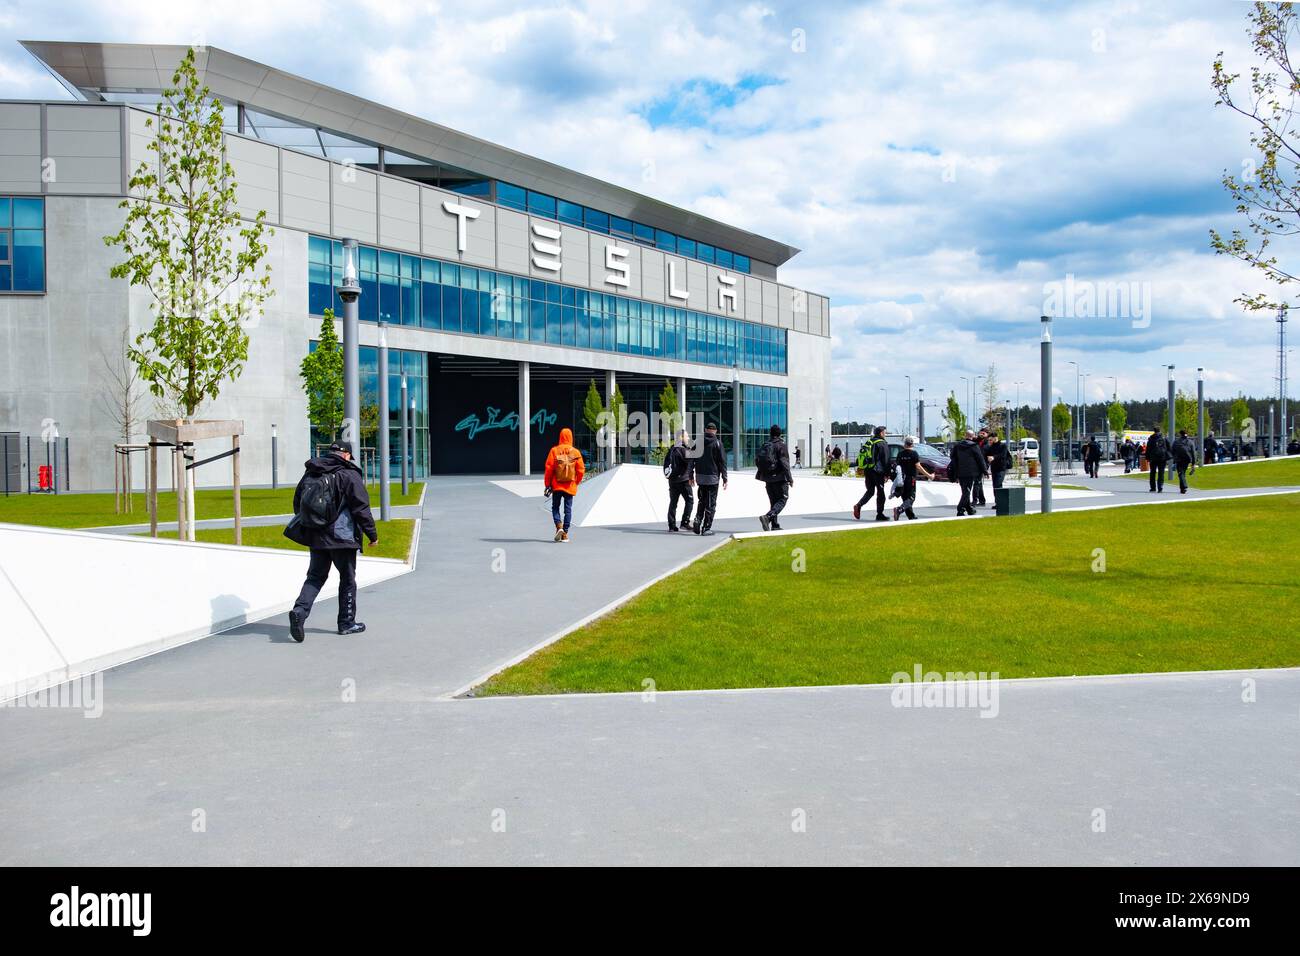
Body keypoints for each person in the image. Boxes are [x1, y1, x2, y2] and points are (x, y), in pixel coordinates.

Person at [286, 441, 378, 642]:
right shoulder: (349, 474)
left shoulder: (312, 472)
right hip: (341, 537)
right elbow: (361, 508)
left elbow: (298, 503)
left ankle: (299, 612)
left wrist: (314, 524)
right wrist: (372, 535)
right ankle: (346, 623)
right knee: (347, 579)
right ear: (346, 455)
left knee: (315, 576)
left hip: (316, 536)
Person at [544, 426, 585, 542]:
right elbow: (581, 470)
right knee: (568, 509)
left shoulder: (554, 451)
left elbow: (549, 469)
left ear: (560, 437)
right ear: (571, 438)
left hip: (557, 485)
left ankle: (559, 526)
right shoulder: (575, 452)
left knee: (555, 507)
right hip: (569, 486)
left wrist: (548, 484)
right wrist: (576, 482)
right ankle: (565, 533)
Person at [690, 422, 728, 536]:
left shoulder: (698, 442)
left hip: (700, 478)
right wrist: (725, 478)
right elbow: (722, 462)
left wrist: (690, 475)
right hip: (713, 478)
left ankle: (697, 519)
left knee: (702, 500)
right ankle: (706, 528)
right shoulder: (717, 443)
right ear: (715, 431)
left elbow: (691, 459)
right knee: (711, 504)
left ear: (706, 430)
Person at [756, 423, 793, 531]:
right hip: (779, 478)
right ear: (780, 434)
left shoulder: (765, 444)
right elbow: (785, 463)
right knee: (782, 499)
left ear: (770, 433)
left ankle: (775, 525)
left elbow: (757, 460)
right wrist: (790, 479)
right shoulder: (781, 445)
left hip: (767, 478)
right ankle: (767, 517)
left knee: (773, 501)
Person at [852, 425, 891, 521]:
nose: (885, 434)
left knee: (870, 491)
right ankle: (880, 514)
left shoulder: (869, 442)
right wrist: (887, 473)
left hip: (868, 471)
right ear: (881, 433)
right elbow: (886, 460)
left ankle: (858, 505)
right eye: (885, 432)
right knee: (881, 493)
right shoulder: (882, 443)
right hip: (878, 472)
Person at [891, 436, 933, 520]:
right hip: (911, 478)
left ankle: (911, 516)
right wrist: (928, 475)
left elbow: (897, 466)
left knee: (905, 497)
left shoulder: (900, 454)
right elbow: (918, 466)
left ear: (905, 444)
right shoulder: (914, 454)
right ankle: (899, 509)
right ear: (912, 444)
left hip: (901, 478)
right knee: (911, 498)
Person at [951, 429, 989, 516]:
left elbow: (952, 457)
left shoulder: (957, 446)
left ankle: (969, 509)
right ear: (972, 436)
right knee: (967, 491)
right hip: (971, 472)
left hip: (960, 471)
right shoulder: (974, 446)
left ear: (965, 435)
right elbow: (980, 459)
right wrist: (985, 471)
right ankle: (960, 509)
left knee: (965, 490)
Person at [663, 429, 694, 533]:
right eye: (687, 436)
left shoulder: (672, 449)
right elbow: (690, 462)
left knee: (673, 502)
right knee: (689, 501)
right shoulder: (683, 450)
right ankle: (685, 523)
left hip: (672, 480)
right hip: (683, 480)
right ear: (681, 438)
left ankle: (671, 526)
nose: (688, 438)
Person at [985, 430, 1012, 495]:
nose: (989, 441)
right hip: (994, 468)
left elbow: (1003, 455)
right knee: (995, 486)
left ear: (995, 438)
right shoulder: (991, 447)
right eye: (989, 440)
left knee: (998, 485)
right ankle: (997, 503)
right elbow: (986, 455)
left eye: (990, 440)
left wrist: (993, 457)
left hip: (1001, 468)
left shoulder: (1003, 446)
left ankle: (1000, 503)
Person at [1172, 428, 1197, 494]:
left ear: (1180, 434)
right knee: (1182, 473)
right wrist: (1193, 463)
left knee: (1181, 473)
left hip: (1179, 459)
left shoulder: (1176, 441)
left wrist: (1174, 459)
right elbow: (1193, 453)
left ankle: (1184, 486)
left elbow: (1172, 451)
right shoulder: (1190, 442)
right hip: (1187, 459)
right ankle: (1182, 489)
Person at [1146, 424, 1170, 493]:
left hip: (1153, 458)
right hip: (1162, 458)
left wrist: (1147, 458)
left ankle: (1153, 487)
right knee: (1161, 473)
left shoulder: (1151, 439)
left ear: (1154, 431)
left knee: (1152, 473)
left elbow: (1148, 449)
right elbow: (1169, 447)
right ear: (1160, 430)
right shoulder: (1164, 438)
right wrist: (1167, 456)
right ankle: (1160, 487)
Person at [972, 428, 989, 506]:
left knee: (976, 483)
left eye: (983, 433)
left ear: (987, 435)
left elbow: (988, 456)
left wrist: (986, 467)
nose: (981, 435)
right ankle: (982, 500)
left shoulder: (987, 444)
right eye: (980, 433)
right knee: (978, 483)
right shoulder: (975, 442)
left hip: (982, 465)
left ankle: (974, 501)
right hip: (974, 465)